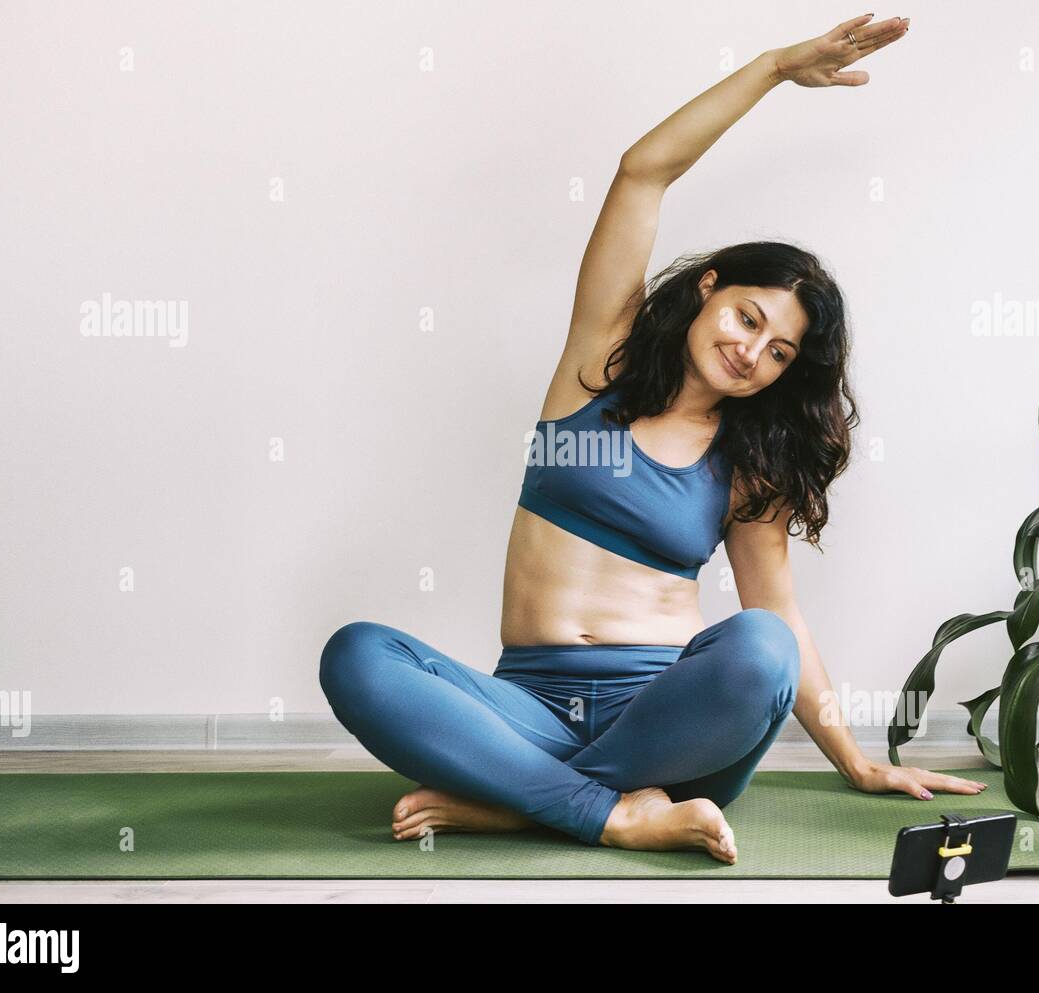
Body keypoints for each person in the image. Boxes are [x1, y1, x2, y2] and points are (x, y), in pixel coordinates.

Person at [320, 12, 986, 864]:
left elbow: (779, 615)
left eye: (779, 352)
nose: (751, 350)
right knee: (358, 655)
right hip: (527, 707)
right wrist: (774, 68)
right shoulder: (596, 365)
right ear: (709, 287)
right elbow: (642, 172)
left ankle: (524, 800)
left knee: (764, 645)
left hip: (668, 725)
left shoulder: (749, 462)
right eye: (748, 317)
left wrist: (855, 760)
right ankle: (603, 810)